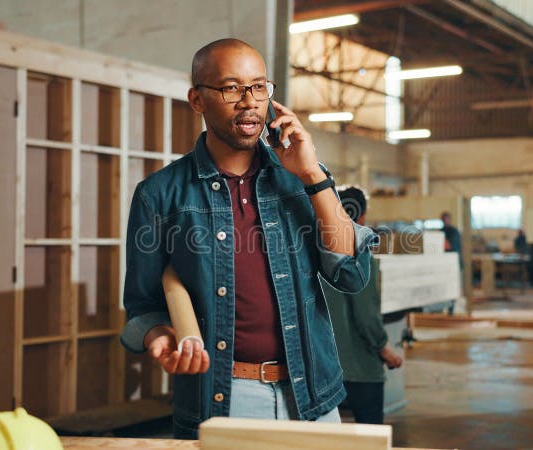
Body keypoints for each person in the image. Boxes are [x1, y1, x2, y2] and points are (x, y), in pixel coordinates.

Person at [120, 38, 377, 439]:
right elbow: (142, 305)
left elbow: (351, 273)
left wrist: (312, 176)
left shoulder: (302, 177)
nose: (249, 102)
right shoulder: (160, 195)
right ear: (197, 100)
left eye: (259, 87)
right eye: (231, 88)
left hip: (312, 394)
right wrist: (159, 335)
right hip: (224, 398)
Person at [323, 186, 403, 424]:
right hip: (360, 367)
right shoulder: (359, 250)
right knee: (369, 431)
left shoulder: (314, 247)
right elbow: (365, 314)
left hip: (325, 367)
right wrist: (384, 349)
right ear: (362, 216)